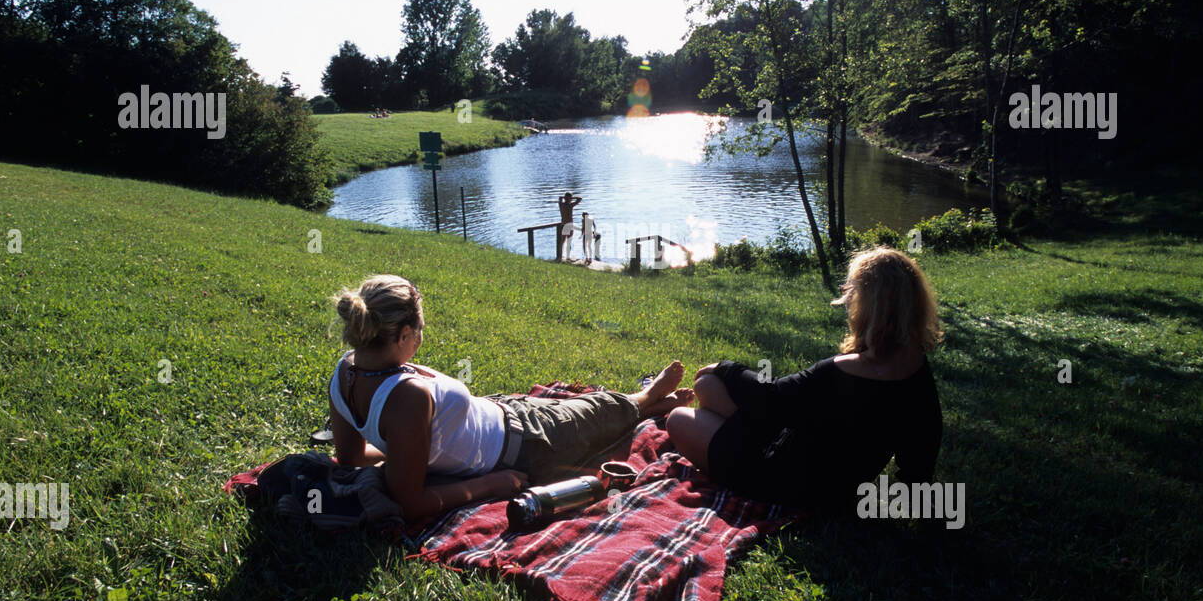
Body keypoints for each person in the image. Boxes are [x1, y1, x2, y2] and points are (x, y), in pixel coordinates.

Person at [328, 275, 694, 522]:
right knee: (596, 410)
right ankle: (647, 396)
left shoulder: (346, 370)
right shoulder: (407, 398)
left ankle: (647, 406)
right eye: (421, 329)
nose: (422, 335)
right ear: (404, 333)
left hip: (504, 411)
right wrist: (489, 485)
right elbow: (410, 503)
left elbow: (352, 456)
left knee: (575, 407)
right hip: (525, 444)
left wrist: (407, 453)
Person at [665, 247, 944, 514]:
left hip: (776, 480)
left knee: (677, 418)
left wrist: (724, 367)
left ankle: (723, 453)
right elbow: (920, 456)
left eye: (850, 292)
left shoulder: (842, 370)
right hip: (831, 482)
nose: (846, 300)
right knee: (706, 387)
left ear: (867, 306)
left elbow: (772, 397)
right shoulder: (917, 371)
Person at [558, 191, 581, 260]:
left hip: (563, 224)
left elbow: (559, 199)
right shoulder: (570, 205)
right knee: (568, 241)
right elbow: (580, 199)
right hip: (569, 225)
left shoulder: (561, 204)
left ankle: (561, 255)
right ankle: (567, 256)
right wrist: (572, 198)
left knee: (562, 241)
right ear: (569, 199)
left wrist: (564, 197)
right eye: (571, 198)